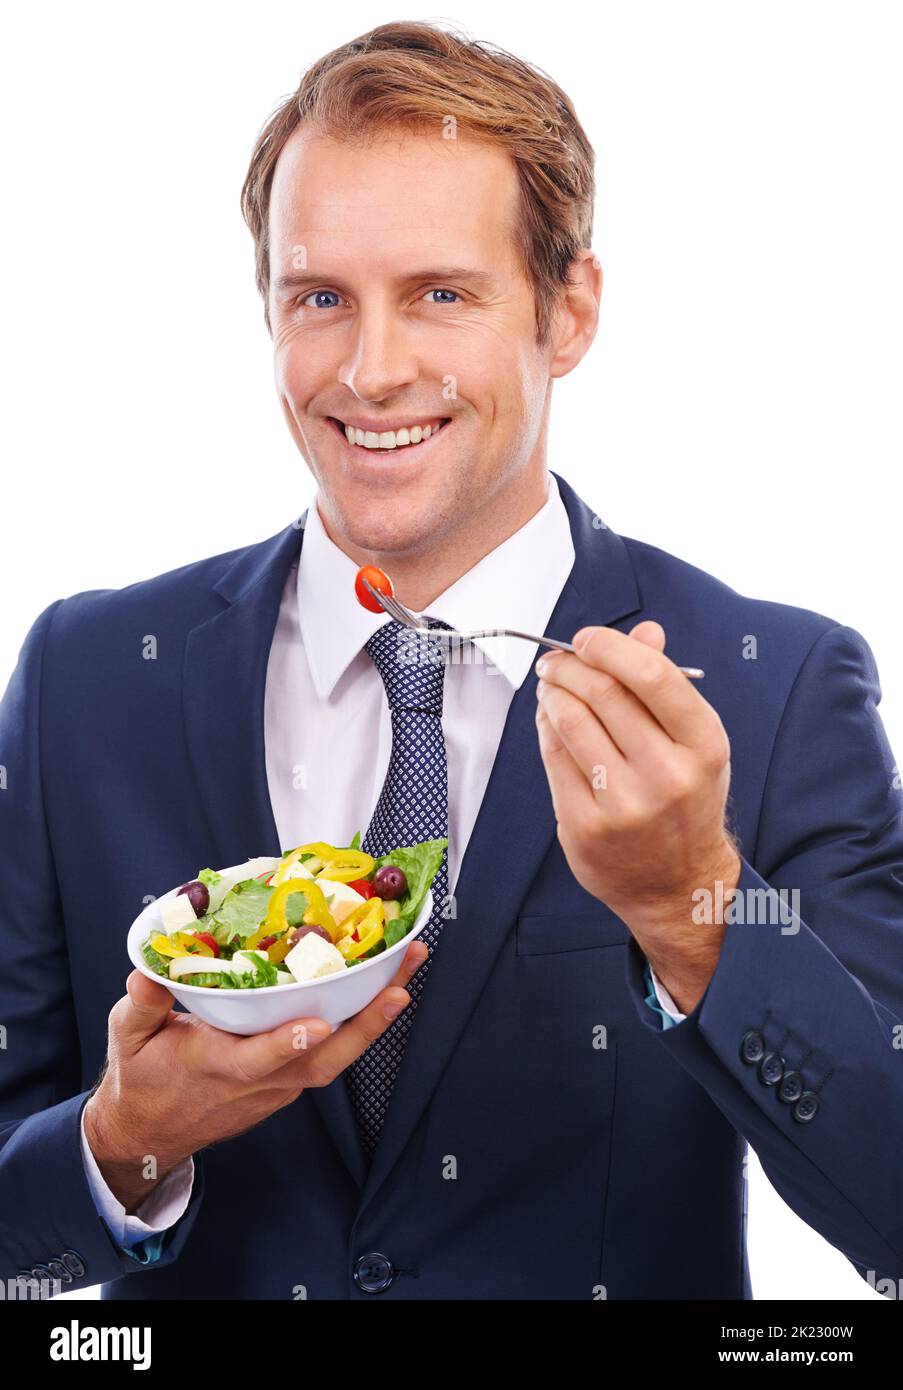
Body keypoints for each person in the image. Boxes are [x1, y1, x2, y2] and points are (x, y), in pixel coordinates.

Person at [2, 20, 902, 1301]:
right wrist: (124, 1143)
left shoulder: (776, 685)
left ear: (569, 309)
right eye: (320, 299)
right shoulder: (85, 683)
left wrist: (694, 906)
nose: (371, 373)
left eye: (440, 293)